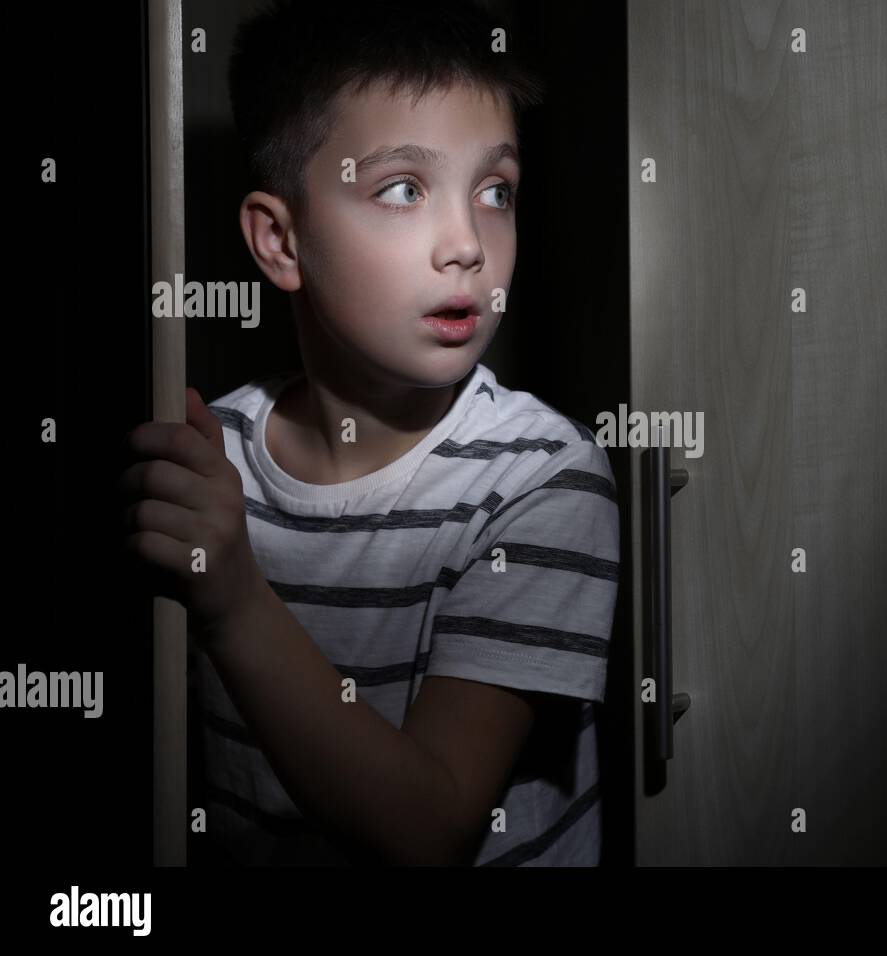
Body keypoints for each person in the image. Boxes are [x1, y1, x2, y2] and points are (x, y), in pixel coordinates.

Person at [118, 0, 618, 866]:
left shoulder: (545, 480)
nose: (466, 243)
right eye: (402, 189)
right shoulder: (211, 460)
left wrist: (236, 600)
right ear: (280, 241)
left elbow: (430, 827)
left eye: (495, 191)